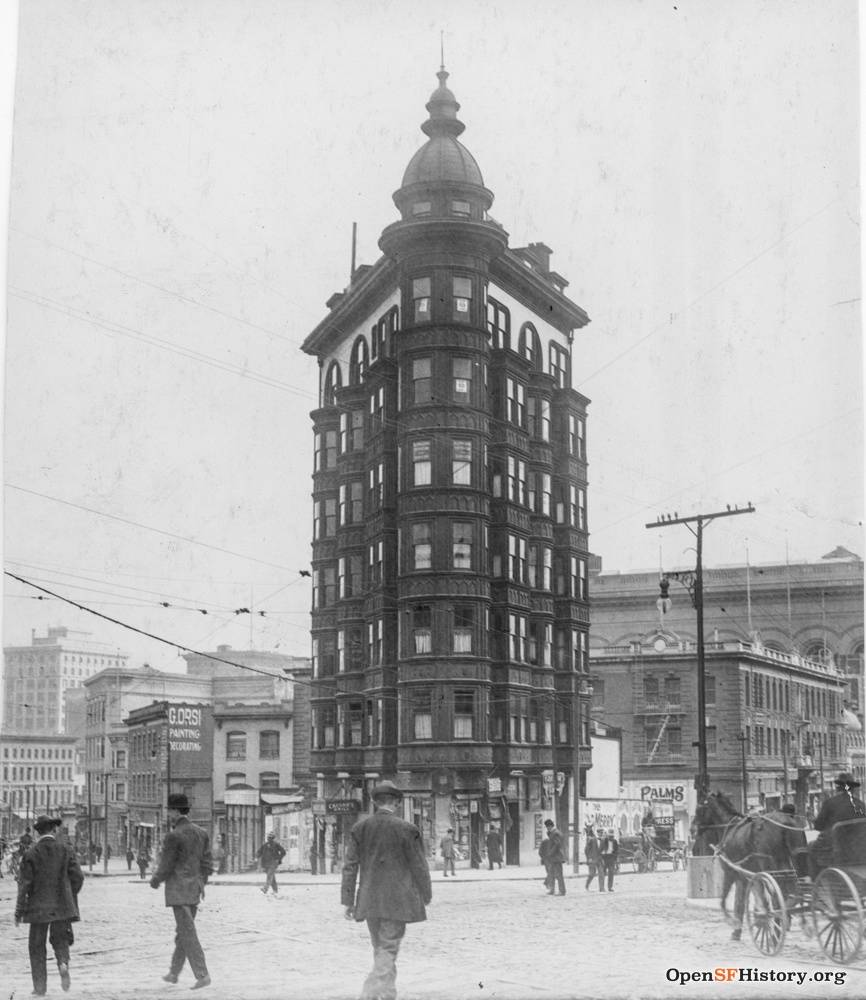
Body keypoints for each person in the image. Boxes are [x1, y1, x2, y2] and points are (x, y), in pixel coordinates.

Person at [341, 780, 431, 1000]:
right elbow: (420, 865)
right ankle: (369, 994)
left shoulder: (359, 828)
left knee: (380, 948)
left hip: (369, 899)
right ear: (397, 803)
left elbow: (350, 866)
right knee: (387, 949)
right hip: (398, 900)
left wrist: (348, 900)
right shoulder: (408, 829)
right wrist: (426, 894)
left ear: (373, 802)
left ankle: (388, 994)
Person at [14, 814, 83, 996]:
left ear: (38, 833)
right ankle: (62, 963)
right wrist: (69, 893)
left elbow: (24, 885)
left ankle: (39, 988)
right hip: (61, 905)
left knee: (36, 946)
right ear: (53, 830)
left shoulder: (31, 853)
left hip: (38, 908)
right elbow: (78, 877)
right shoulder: (66, 849)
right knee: (61, 938)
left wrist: (19, 911)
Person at [150, 793, 213, 990]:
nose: (168, 814)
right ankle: (174, 973)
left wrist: (156, 879)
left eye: (169, 810)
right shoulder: (201, 833)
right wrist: (201, 882)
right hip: (194, 889)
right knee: (183, 932)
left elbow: (167, 864)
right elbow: (207, 864)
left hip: (178, 890)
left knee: (187, 933)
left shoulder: (173, 835)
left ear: (176, 812)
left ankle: (202, 975)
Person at [810, 772, 866, 873]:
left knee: (811, 847)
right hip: (859, 848)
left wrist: (814, 821)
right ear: (853, 788)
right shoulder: (861, 804)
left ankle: (815, 881)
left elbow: (818, 826)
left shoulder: (830, 803)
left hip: (836, 847)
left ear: (838, 788)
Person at [257, 830, 286, 898]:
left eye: (270, 838)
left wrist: (278, 858)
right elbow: (259, 852)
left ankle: (265, 889)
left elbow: (283, 852)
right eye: (268, 837)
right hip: (266, 864)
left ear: (273, 838)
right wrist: (257, 856)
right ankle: (275, 890)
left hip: (273, 863)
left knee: (269, 875)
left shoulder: (276, 845)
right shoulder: (265, 845)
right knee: (272, 877)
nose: (269, 839)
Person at [542, 819, 566, 896]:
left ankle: (562, 891)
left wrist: (550, 853)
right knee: (551, 874)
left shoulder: (555, 833)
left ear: (550, 826)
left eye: (547, 827)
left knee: (559, 874)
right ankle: (552, 890)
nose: (547, 828)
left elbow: (557, 845)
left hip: (556, 857)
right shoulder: (553, 832)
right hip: (553, 858)